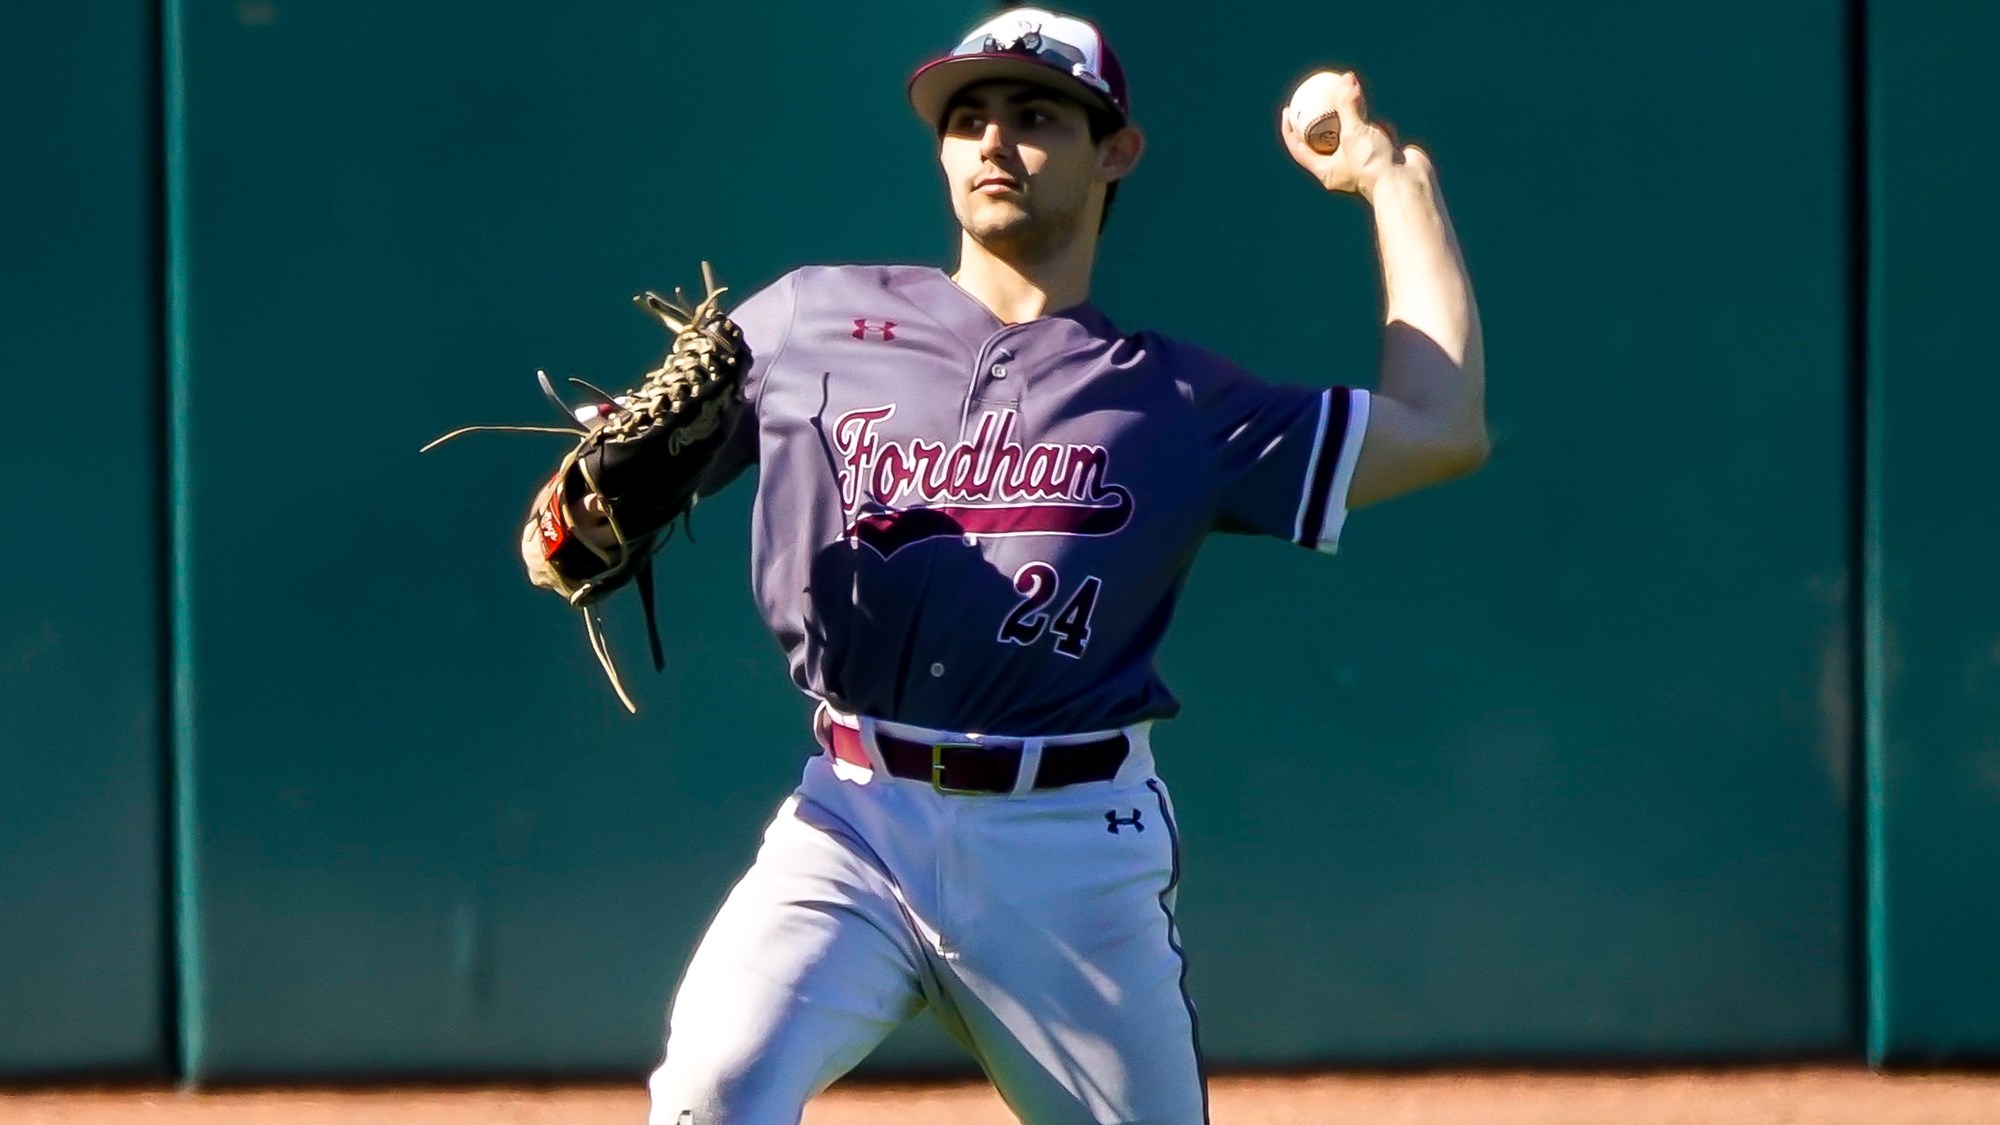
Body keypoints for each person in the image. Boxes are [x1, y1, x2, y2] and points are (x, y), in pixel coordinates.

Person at [643, 7, 1485, 1123]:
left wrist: (1390, 184)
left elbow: (1440, 427)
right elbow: (601, 493)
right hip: (849, 822)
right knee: (710, 1091)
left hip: (1069, 851)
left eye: (1035, 115)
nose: (992, 140)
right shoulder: (808, 320)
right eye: (967, 118)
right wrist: (569, 519)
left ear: (1115, 152)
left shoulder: (1173, 401)